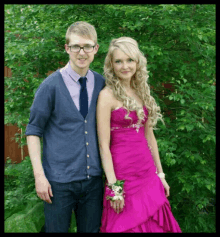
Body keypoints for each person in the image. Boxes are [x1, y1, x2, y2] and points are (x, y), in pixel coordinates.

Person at [25, 21, 105, 233]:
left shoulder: (101, 84)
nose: (82, 52)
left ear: (96, 48)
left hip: (93, 182)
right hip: (58, 183)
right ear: (67, 48)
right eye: (76, 46)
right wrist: (39, 177)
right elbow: (33, 131)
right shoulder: (50, 85)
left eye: (87, 46)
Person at [97, 37, 182, 233]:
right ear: (111, 64)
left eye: (129, 60)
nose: (124, 66)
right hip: (123, 174)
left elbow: (150, 137)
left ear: (137, 62)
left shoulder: (141, 91)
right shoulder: (106, 96)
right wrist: (114, 188)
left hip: (147, 171)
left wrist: (160, 175)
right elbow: (104, 146)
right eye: (118, 61)